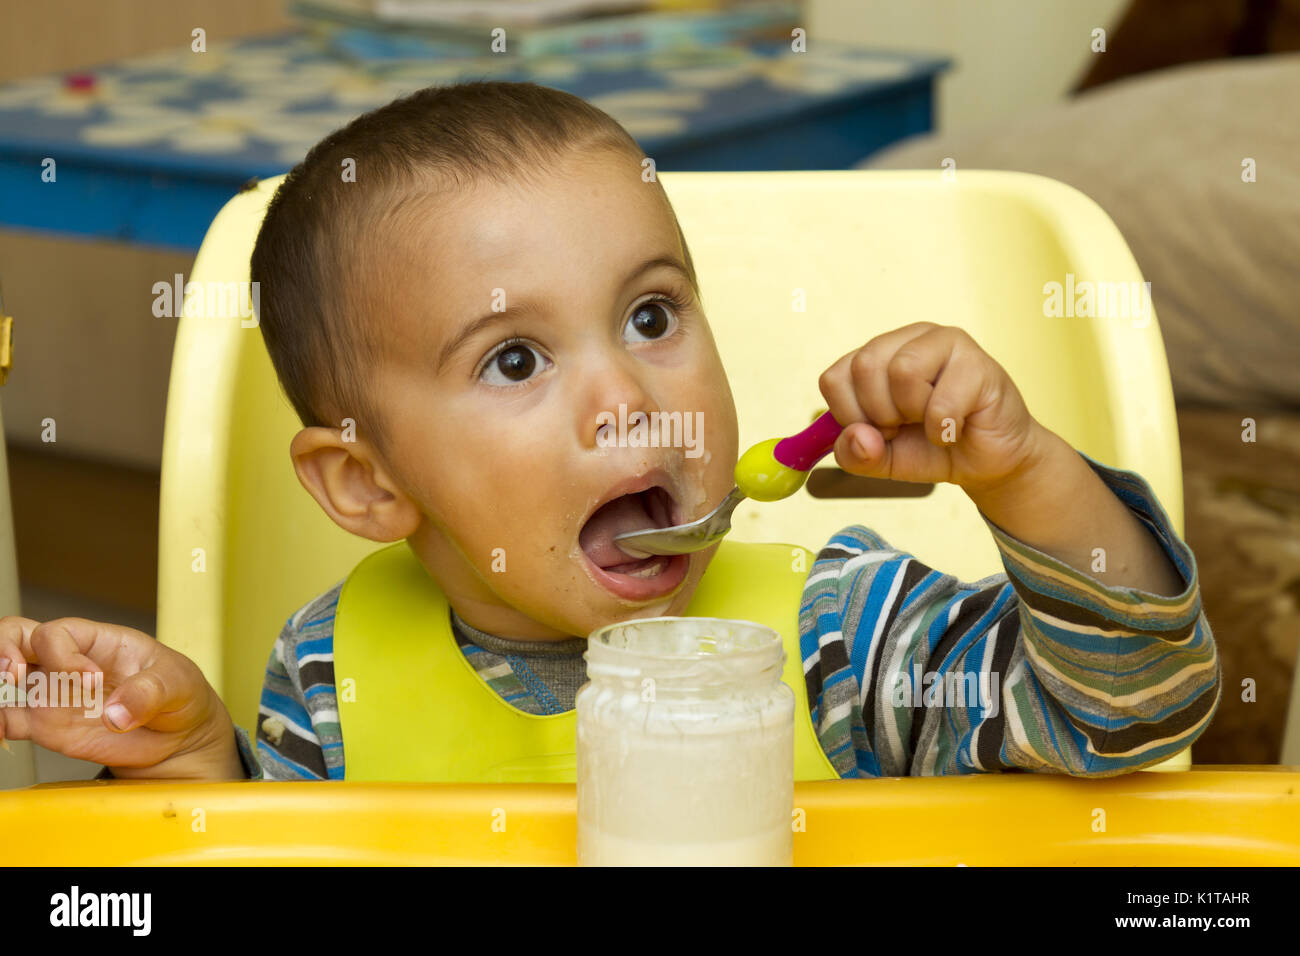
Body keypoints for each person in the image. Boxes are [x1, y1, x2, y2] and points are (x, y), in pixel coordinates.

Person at [0, 81, 1219, 783]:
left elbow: (1132, 708)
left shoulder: (846, 636)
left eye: (649, 314)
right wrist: (192, 755)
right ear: (366, 486)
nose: (628, 398)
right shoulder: (327, 679)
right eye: (515, 359)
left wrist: (1022, 472)